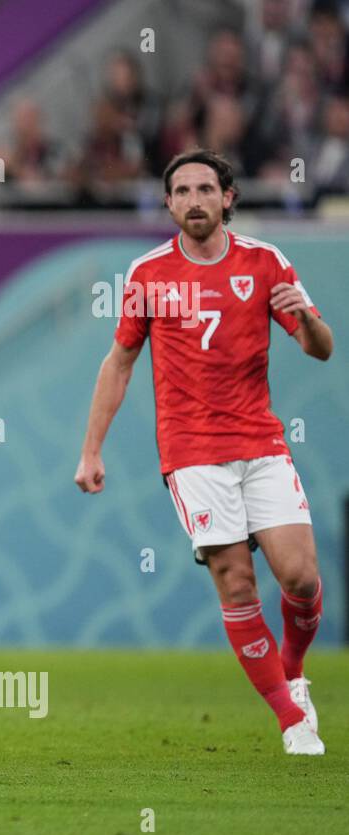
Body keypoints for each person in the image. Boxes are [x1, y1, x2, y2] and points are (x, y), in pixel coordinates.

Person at [75, 148, 334, 756]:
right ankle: (291, 722)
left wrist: (308, 320)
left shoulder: (265, 262)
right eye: (183, 192)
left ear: (228, 198)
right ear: (169, 204)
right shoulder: (148, 275)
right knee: (236, 583)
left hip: (261, 442)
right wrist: (91, 451)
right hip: (192, 453)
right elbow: (120, 362)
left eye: (206, 189)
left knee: (300, 578)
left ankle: (294, 672)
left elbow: (320, 348)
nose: (195, 200)